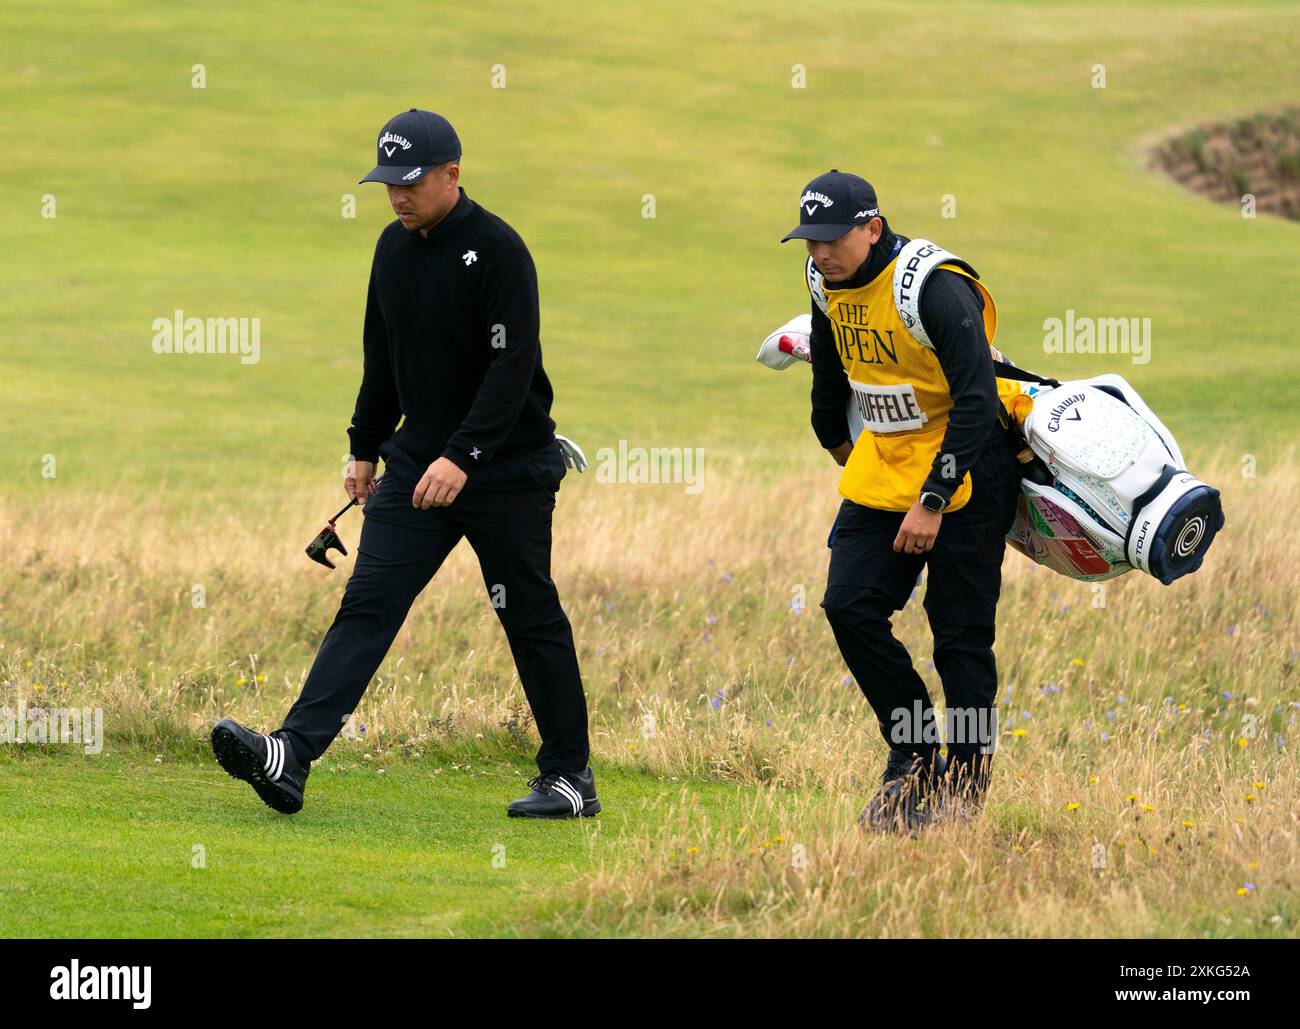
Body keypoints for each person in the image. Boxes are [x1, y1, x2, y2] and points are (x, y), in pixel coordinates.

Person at [211, 109, 599, 820]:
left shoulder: (499, 250)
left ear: (453, 174)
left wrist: (465, 455)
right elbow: (382, 357)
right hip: (419, 463)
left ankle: (570, 776)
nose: (397, 195)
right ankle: (291, 755)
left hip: (507, 469)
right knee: (369, 602)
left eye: (411, 181)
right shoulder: (392, 249)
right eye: (387, 182)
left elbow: (511, 370)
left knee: (529, 615)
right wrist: (363, 444)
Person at [780, 170, 1026, 833]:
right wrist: (831, 434)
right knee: (848, 605)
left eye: (832, 239)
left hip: (969, 464)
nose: (820, 253)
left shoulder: (935, 288)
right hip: (886, 461)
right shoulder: (822, 281)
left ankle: (965, 785)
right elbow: (831, 362)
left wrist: (934, 498)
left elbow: (977, 395)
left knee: (960, 638)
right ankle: (915, 750)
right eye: (810, 241)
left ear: (872, 228)